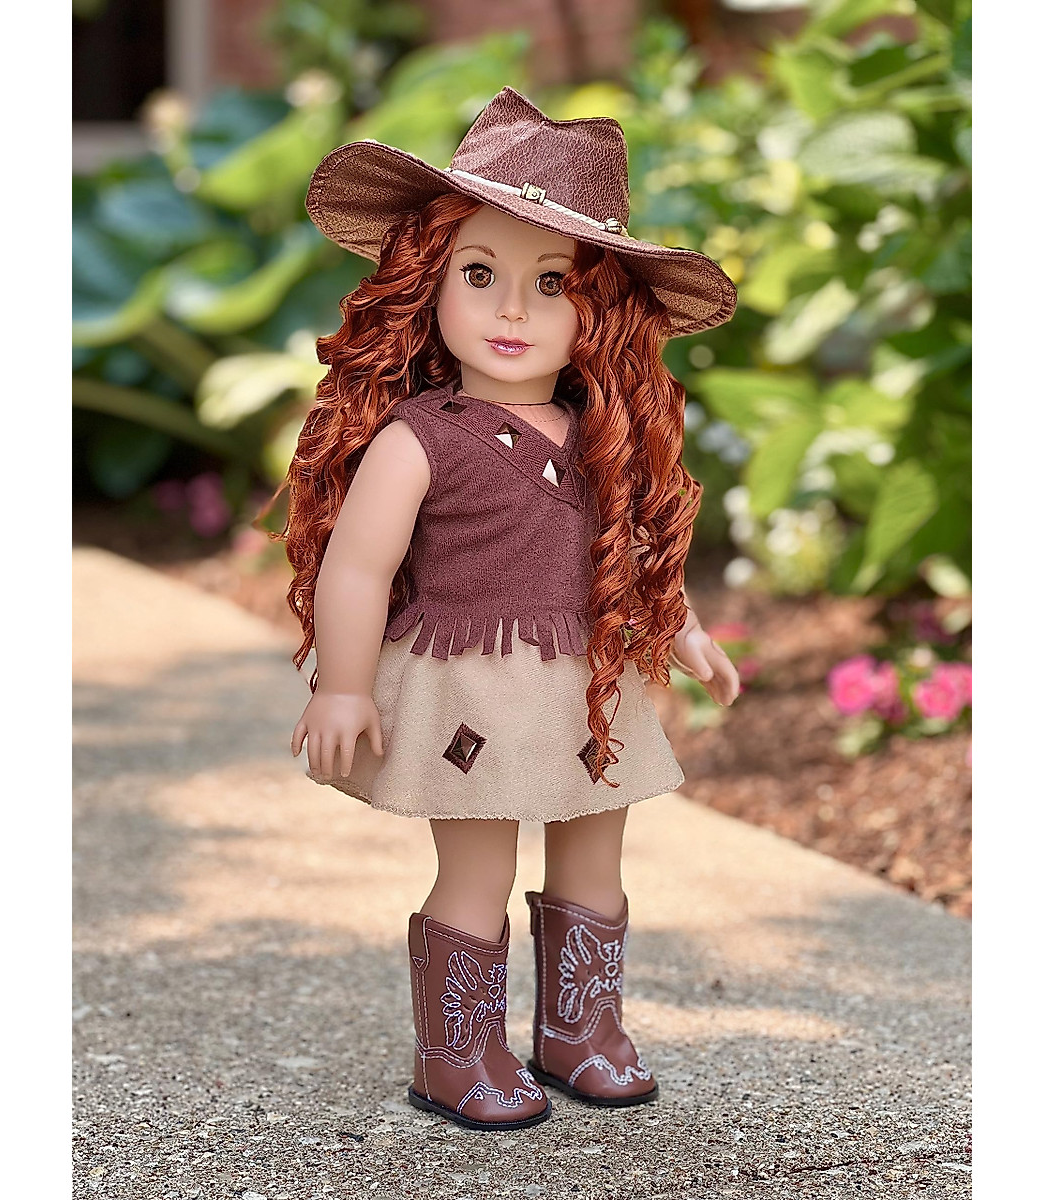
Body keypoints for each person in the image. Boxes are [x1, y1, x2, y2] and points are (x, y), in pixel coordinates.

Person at [269, 86, 741, 1132]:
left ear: (600, 308)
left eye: (551, 283)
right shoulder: (418, 438)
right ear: (428, 280)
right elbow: (356, 569)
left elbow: (636, 548)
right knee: (475, 866)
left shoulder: (602, 433)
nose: (512, 311)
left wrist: (684, 628)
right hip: (468, 685)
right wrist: (343, 684)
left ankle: (581, 1028)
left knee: (595, 850)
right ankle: (458, 1052)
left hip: (589, 680)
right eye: (479, 275)